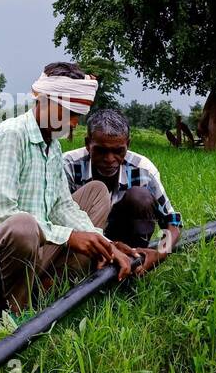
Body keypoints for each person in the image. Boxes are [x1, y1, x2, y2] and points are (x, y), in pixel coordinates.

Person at [0, 62, 136, 313]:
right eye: (69, 113)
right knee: (23, 224)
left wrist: (104, 243)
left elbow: (62, 205)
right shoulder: (11, 135)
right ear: (44, 101)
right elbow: (2, 213)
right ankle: (15, 312)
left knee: (96, 193)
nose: (74, 123)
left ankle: (50, 287)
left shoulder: (53, 146)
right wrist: (70, 237)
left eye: (78, 115)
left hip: (34, 255)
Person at [63, 109, 182, 275]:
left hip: (125, 241)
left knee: (140, 197)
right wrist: (109, 246)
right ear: (88, 144)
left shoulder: (143, 169)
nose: (110, 159)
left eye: (118, 151)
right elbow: (58, 219)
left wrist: (161, 252)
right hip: (82, 242)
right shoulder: (67, 166)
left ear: (128, 145)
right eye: (101, 150)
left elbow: (171, 222)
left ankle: (134, 262)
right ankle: (79, 270)